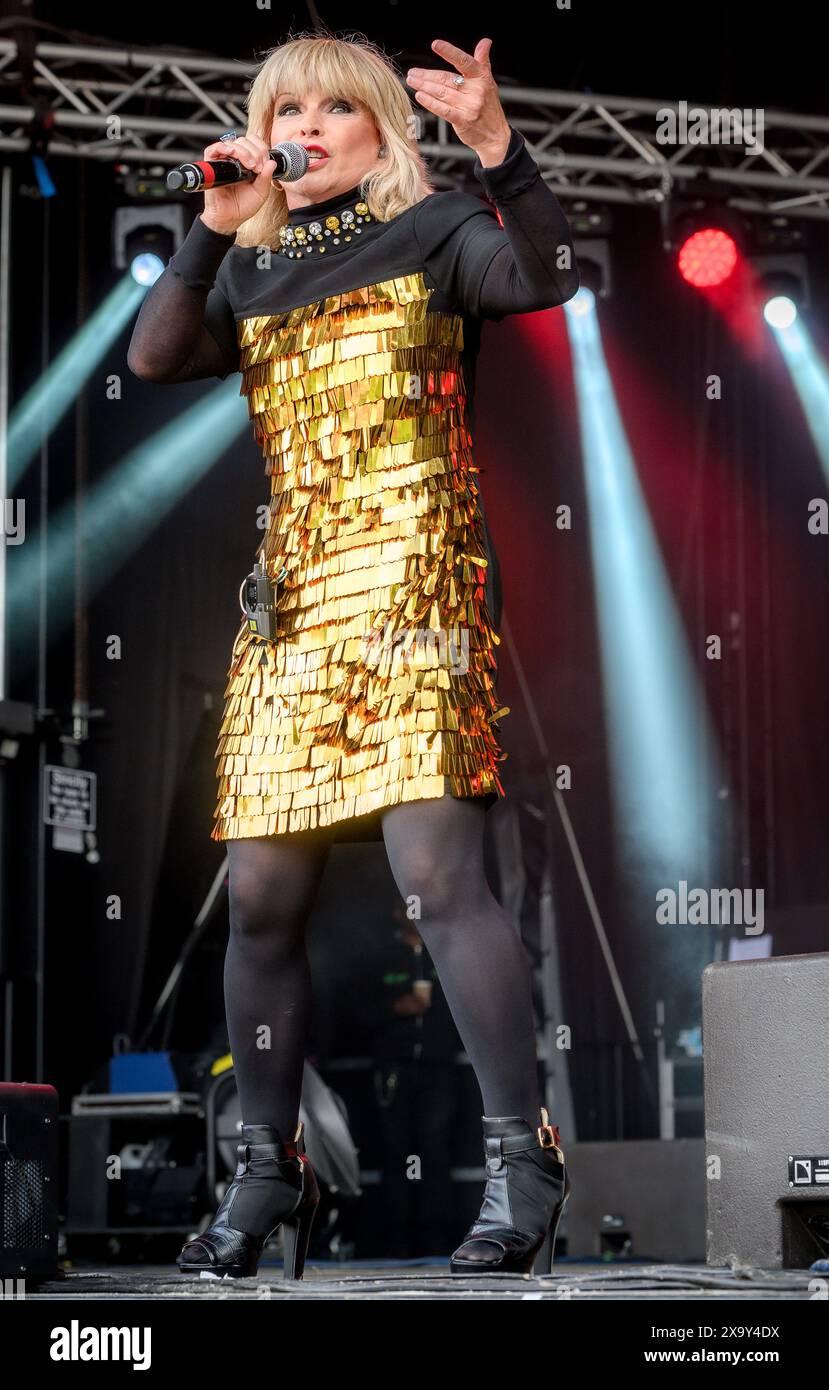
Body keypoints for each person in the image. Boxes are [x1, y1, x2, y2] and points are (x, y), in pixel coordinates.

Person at [128, 29, 576, 1281]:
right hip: (293, 608)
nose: (307, 125)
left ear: (382, 128)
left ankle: (522, 1164)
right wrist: (215, 227)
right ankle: (268, 1174)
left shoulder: (434, 234)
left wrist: (501, 149)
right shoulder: (252, 266)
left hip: (415, 585)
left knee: (439, 876)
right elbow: (154, 357)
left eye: (334, 108)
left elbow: (546, 278)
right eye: (286, 109)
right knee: (262, 896)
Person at [365, 899, 461, 1258]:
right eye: (408, 907)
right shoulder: (382, 956)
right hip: (394, 1067)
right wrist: (394, 1008)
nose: (416, 915)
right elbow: (354, 1012)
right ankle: (397, 1242)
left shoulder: (446, 953)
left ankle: (439, 1240)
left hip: (438, 1066)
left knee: (436, 1151)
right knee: (396, 1152)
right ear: (397, 912)